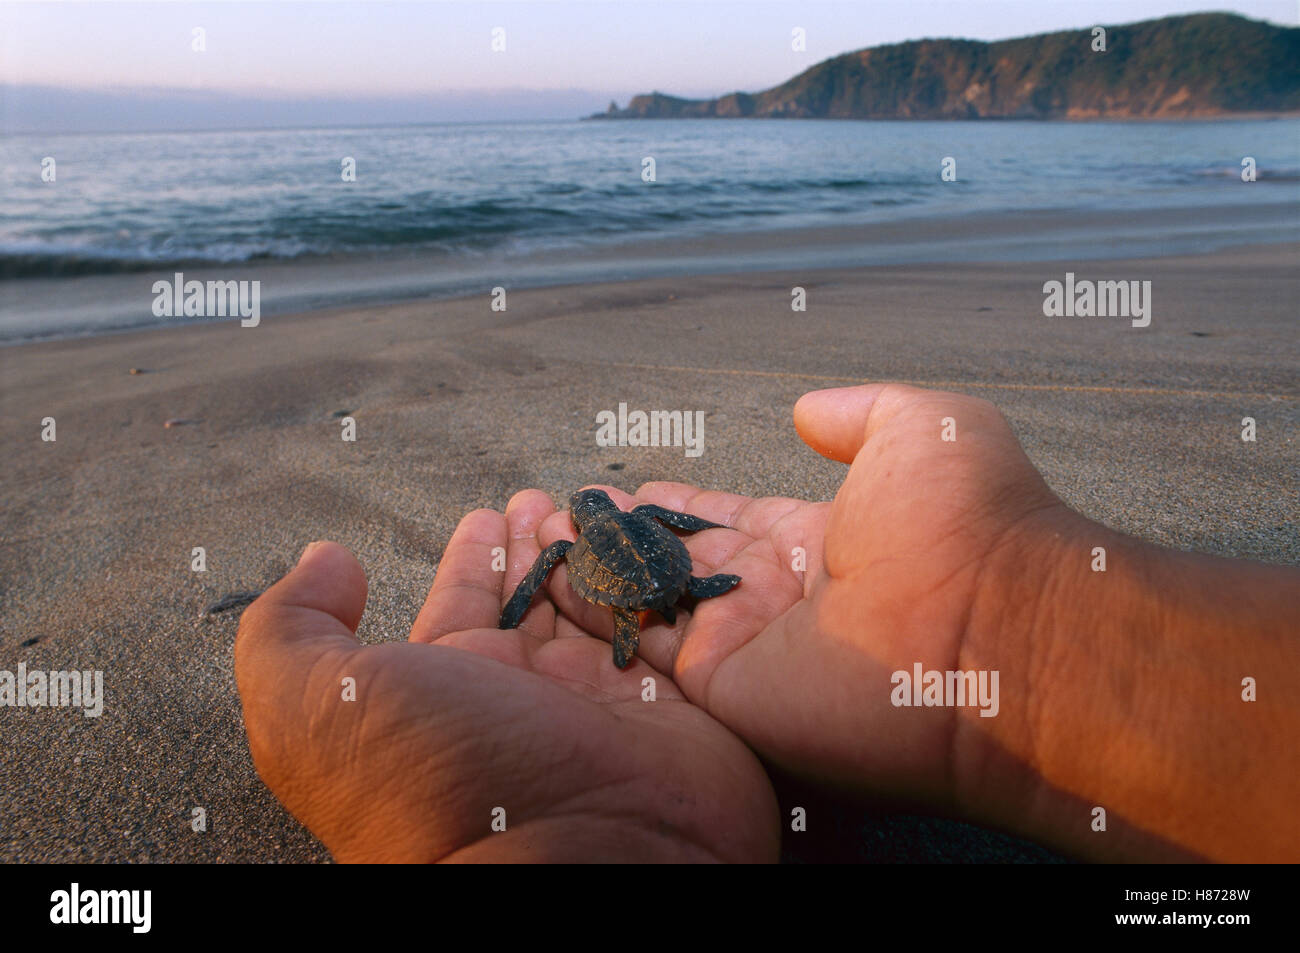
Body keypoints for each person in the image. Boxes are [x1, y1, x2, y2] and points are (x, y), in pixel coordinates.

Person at [234, 383, 1299, 862]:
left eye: (582, 513)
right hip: (668, 581)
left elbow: (557, 562)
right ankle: (677, 603)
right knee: (672, 579)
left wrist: (518, 607)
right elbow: (675, 518)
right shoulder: (647, 519)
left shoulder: (571, 544)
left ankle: (642, 620)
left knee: (624, 598)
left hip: (627, 601)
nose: (583, 515)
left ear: (582, 521)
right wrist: (1001, 628)